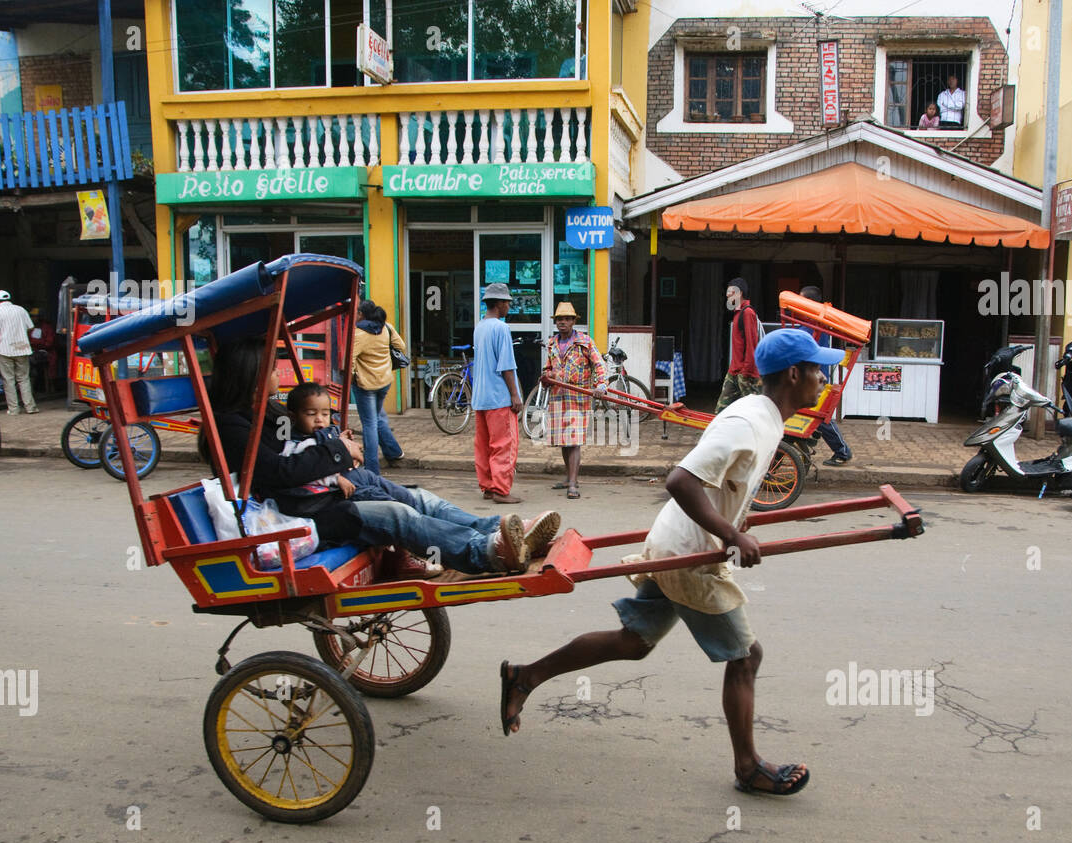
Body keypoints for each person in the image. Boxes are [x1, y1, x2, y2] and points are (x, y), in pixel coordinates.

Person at [499, 327, 845, 796]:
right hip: (687, 555)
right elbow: (680, 480)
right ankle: (748, 768)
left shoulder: (770, 418)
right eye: (818, 370)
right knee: (746, 657)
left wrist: (737, 524)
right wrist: (730, 533)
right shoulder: (749, 421)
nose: (824, 379)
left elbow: (724, 486)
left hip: (679, 543)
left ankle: (526, 676)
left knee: (634, 641)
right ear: (793, 373)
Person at [206, 337, 549, 576]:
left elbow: (305, 439)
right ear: (250, 373)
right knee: (398, 514)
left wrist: (336, 447)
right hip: (305, 511)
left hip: (329, 488)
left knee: (419, 498)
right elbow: (280, 472)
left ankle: (499, 531)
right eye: (270, 368)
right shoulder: (231, 425)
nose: (276, 374)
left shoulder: (269, 409)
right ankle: (484, 552)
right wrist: (339, 453)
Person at [541, 301, 607, 500]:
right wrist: (546, 376)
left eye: (567, 319)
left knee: (574, 441)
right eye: (560, 319)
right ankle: (570, 477)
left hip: (578, 398)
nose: (563, 322)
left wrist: (601, 385)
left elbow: (599, 365)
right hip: (558, 396)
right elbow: (548, 367)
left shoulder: (585, 341)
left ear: (573, 321)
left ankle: (573, 483)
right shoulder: (552, 343)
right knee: (564, 441)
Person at [472, 282, 523, 504]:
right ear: (501, 304)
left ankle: (488, 487)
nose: (509, 307)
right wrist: (515, 395)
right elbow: (506, 366)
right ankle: (502, 490)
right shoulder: (501, 328)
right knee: (504, 445)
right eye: (508, 303)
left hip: (481, 397)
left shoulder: (480, 326)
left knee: (484, 445)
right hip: (499, 397)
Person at [350, 301, 406, 473]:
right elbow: (401, 347)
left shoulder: (359, 334)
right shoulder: (386, 328)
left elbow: (350, 359)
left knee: (369, 424)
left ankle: (372, 469)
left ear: (361, 314)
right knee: (378, 417)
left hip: (366, 385)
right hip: (384, 381)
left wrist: (352, 377)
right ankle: (393, 451)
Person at [800, 286, 852, 466]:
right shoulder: (809, 323)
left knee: (821, 418)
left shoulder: (815, 324)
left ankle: (842, 451)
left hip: (815, 378)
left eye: (803, 300)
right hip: (808, 377)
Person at [715, 277, 762, 414]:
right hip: (734, 371)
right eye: (727, 292)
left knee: (755, 413)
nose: (727, 294)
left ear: (739, 293)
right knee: (721, 412)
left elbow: (751, 343)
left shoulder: (747, 313)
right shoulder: (738, 313)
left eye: (731, 291)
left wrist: (746, 371)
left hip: (745, 373)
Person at [0, 289, 38, 415]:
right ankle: (30, 407)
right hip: (22, 348)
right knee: (24, 379)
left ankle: (14, 409)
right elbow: (31, 327)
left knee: (8, 380)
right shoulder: (21, 310)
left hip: (4, 350)